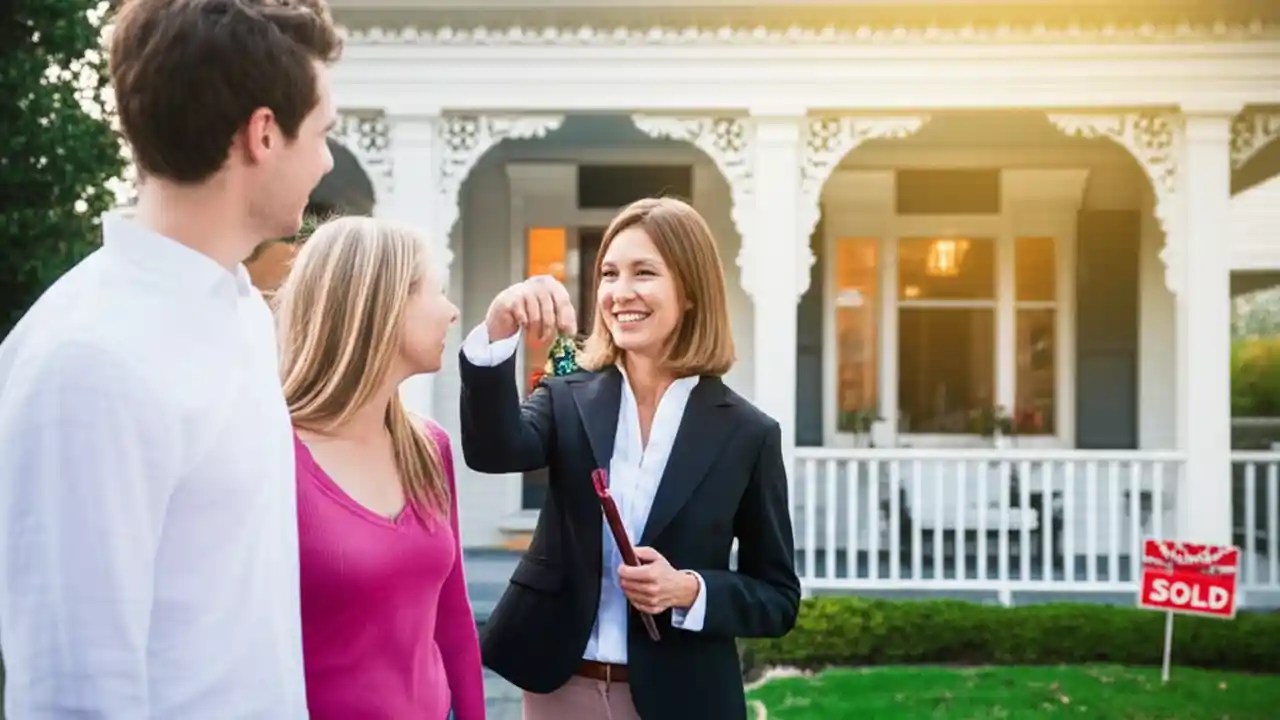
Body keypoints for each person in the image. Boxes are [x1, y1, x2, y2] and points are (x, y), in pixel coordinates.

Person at [0, 0, 340, 716]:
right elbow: (74, 693)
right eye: (324, 133)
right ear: (264, 134)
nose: (329, 159)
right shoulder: (86, 363)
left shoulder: (244, 314)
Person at [459, 197, 800, 719]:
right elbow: (493, 451)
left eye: (644, 273)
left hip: (682, 696)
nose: (620, 293)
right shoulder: (567, 395)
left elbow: (776, 597)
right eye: (609, 274)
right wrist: (499, 332)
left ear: (690, 292)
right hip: (560, 688)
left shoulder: (747, 434)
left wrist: (687, 589)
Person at [273, 216, 484, 720]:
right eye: (436, 292)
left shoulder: (430, 448)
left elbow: (452, 621)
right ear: (384, 307)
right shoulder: (270, 455)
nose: (452, 312)